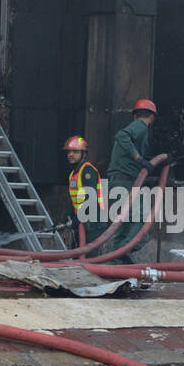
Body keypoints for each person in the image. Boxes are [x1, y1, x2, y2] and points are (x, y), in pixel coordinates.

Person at [105, 99, 157, 261]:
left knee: (123, 226)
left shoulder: (137, 127)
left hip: (117, 181)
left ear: (134, 115)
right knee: (142, 220)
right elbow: (122, 135)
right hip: (125, 182)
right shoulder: (141, 126)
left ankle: (116, 265)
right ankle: (123, 252)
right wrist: (139, 158)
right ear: (152, 117)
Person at [64, 136, 107, 253]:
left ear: (83, 154)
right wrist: (62, 220)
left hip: (93, 222)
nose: (70, 154)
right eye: (69, 152)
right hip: (82, 221)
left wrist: (78, 217)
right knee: (76, 255)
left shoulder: (88, 171)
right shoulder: (73, 174)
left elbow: (91, 197)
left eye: (75, 152)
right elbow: (74, 202)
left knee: (89, 259)